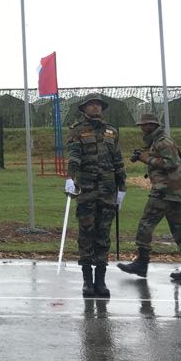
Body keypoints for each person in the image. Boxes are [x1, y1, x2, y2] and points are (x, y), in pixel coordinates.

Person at [118, 111, 181, 281]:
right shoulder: (158, 141)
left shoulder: (163, 142)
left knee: (145, 226)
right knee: (180, 229)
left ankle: (142, 262)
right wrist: (145, 155)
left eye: (144, 125)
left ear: (152, 126)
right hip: (172, 192)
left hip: (164, 191)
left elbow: (171, 163)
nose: (142, 129)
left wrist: (145, 158)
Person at [65, 93, 126, 298]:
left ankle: (101, 280)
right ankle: (87, 281)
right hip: (87, 190)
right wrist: (70, 178)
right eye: (91, 105)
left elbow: (118, 160)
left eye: (98, 105)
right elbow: (74, 156)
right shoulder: (77, 131)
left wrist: (122, 187)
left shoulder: (112, 131)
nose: (95, 108)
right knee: (86, 234)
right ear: (84, 109)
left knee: (103, 235)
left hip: (108, 191)